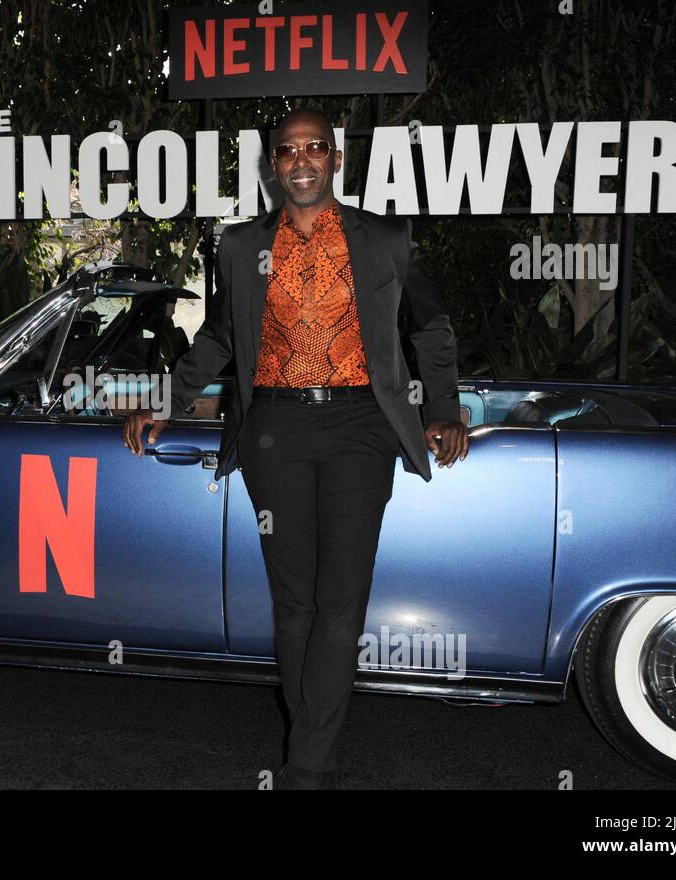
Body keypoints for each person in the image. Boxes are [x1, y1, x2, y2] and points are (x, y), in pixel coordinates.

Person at [123, 108, 469, 790]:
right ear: (273, 164)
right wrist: (167, 400)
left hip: (360, 427)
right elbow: (221, 338)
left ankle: (306, 764)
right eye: (289, 150)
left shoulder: (385, 238)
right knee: (295, 603)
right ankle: (314, 740)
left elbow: (431, 327)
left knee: (342, 597)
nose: (302, 160)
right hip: (274, 431)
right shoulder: (240, 245)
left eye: (315, 148)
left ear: (336, 160)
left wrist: (445, 409)